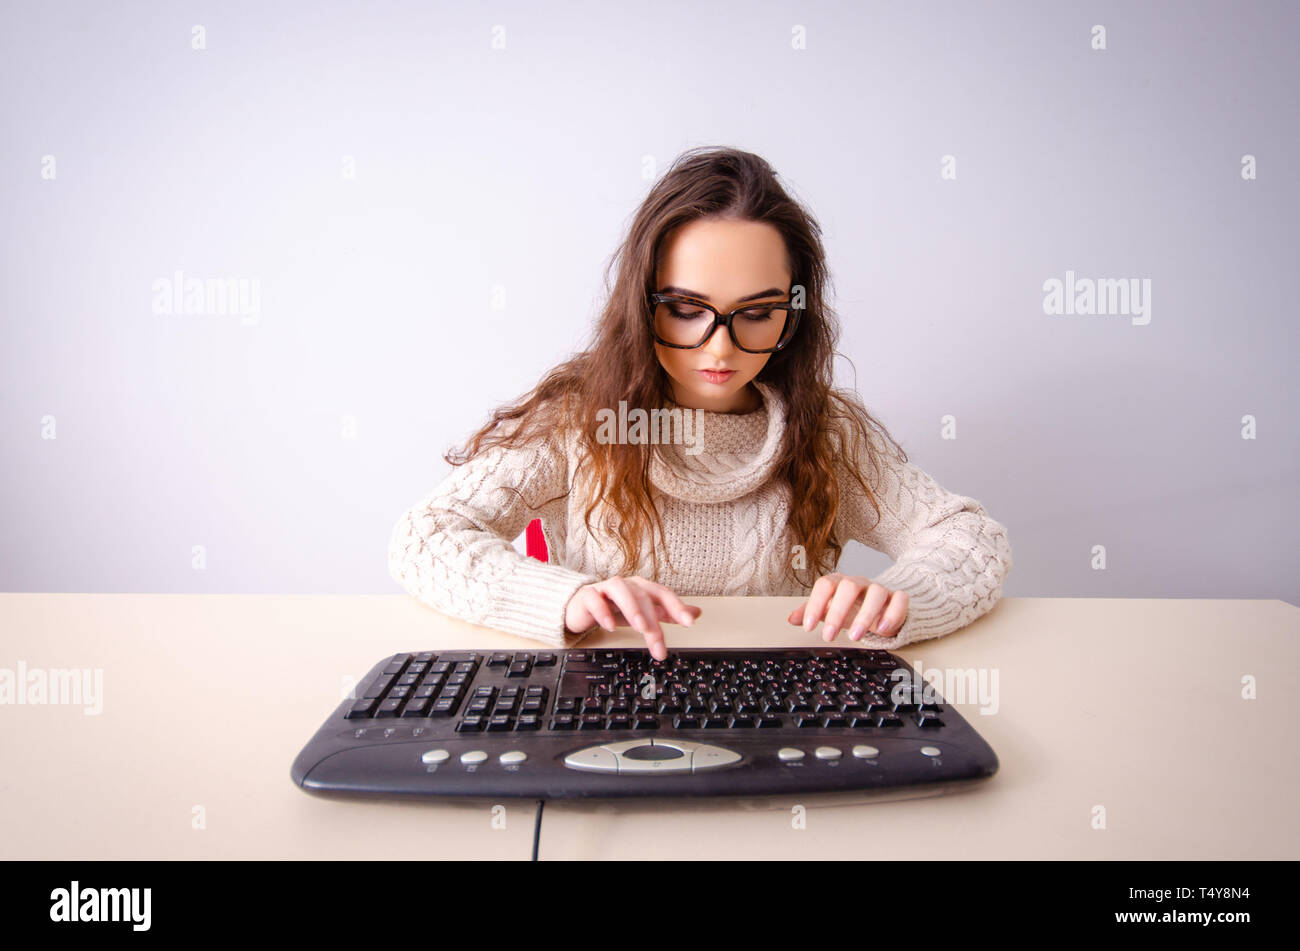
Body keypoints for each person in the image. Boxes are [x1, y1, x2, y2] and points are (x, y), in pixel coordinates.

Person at [389, 146, 1011, 660]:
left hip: (778, 702)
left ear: (794, 310)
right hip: (604, 698)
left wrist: (903, 595)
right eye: (687, 310)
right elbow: (426, 537)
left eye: (758, 313)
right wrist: (564, 598)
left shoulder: (827, 432)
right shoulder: (579, 421)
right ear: (642, 300)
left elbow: (968, 537)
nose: (719, 347)